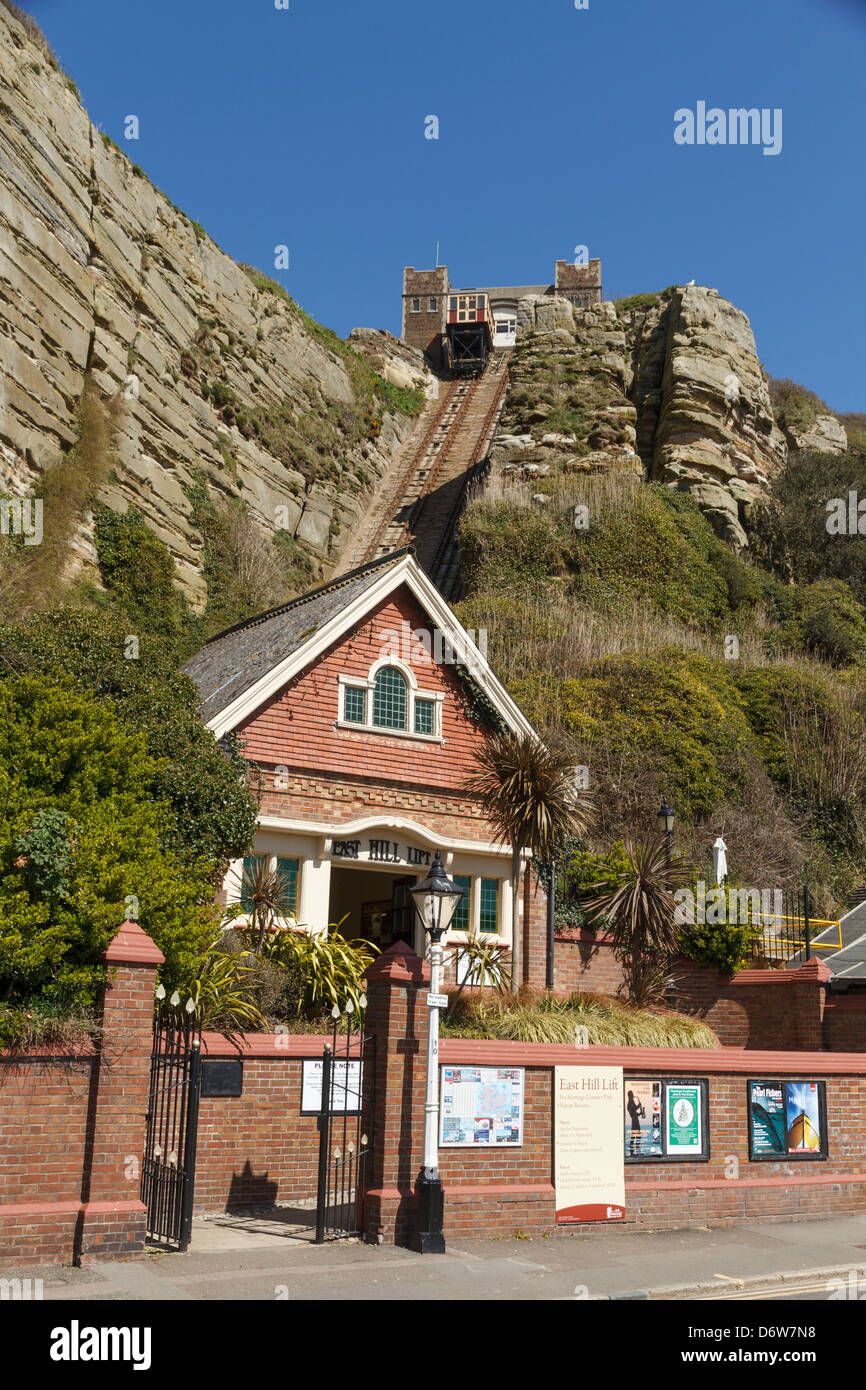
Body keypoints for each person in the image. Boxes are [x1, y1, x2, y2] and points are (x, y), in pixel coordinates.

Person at [626, 1089, 646, 1157]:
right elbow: (633, 1114)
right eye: (632, 1095)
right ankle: (634, 1152)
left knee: (636, 1137)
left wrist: (639, 1112)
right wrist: (638, 1107)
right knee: (636, 1137)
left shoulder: (631, 1102)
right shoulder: (630, 1103)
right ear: (629, 1096)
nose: (633, 1096)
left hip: (635, 1121)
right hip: (635, 1122)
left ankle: (635, 1152)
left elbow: (634, 1112)